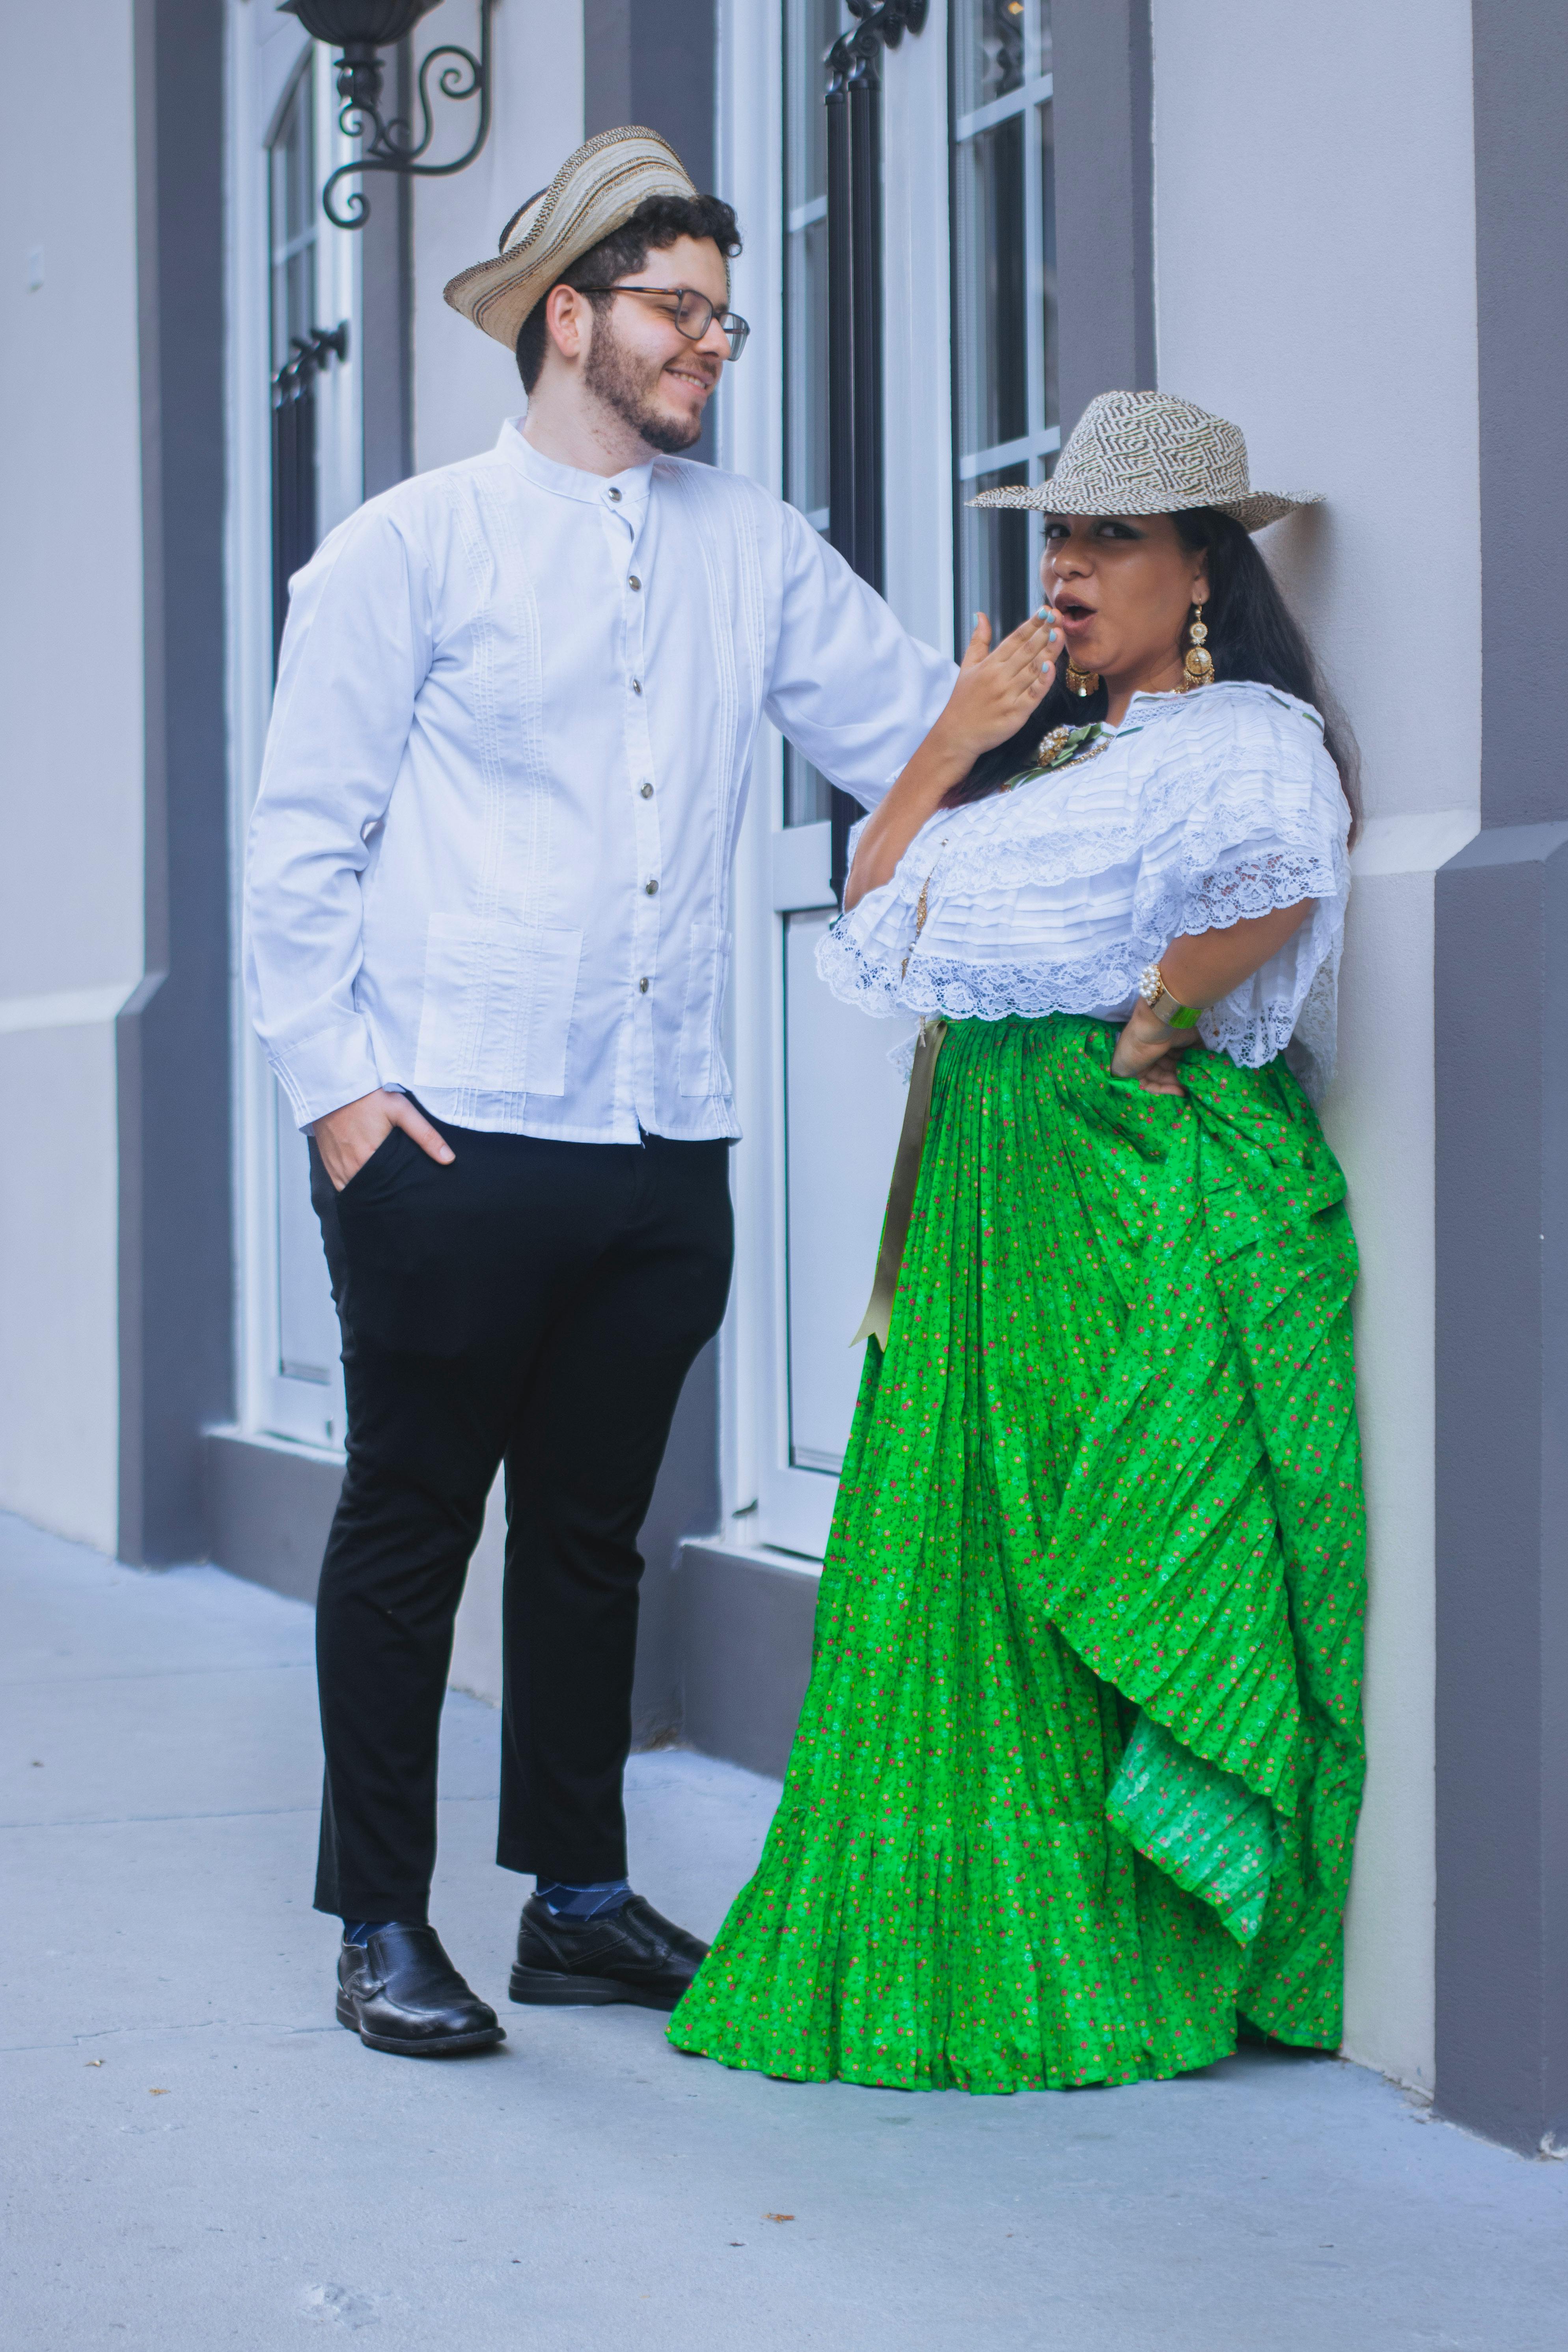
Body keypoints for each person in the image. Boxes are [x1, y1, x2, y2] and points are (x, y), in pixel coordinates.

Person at [244, 125, 1024, 2058]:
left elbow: (909, 734)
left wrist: (1098, 691)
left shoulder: (749, 547)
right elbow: (302, 842)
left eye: (722, 317)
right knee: (413, 1524)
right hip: (449, 1131)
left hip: (666, 1136)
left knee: (595, 1534)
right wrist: (341, 1100)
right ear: (568, 317)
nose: (712, 344)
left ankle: (574, 1901)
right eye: (679, 309)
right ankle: (379, 1920)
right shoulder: (409, 545)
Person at [669, 390, 1367, 2093]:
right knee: (959, 1546)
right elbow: (873, 899)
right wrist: (949, 736)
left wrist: (1154, 1023)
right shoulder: (1056, 749)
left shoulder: (1235, 729)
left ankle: (1110, 1946)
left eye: (1110, 538)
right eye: (1057, 535)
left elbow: (1279, 868)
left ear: (1198, 570)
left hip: (1094, 1171)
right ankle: (955, 1936)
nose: (1068, 568)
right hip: (986, 1187)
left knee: (1077, 1540)